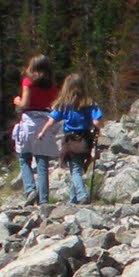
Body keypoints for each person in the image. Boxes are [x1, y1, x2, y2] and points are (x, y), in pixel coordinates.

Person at [35, 72, 102, 204]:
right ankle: (73, 200)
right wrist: (98, 128)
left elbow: (51, 120)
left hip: (70, 141)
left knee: (75, 170)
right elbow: (97, 122)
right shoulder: (89, 104)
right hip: (85, 140)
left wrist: (42, 132)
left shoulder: (64, 105)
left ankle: (82, 195)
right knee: (77, 169)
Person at [12, 55, 59, 205]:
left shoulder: (28, 82)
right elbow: (54, 104)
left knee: (24, 157)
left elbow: (24, 103)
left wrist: (17, 101)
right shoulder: (51, 85)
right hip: (45, 121)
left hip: (29, 121)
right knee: (42, 161)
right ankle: (44, 199)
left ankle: (30, 189)